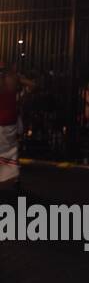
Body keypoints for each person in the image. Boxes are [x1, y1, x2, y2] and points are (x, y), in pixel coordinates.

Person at [0, 65, 34, 194]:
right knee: (12, 148)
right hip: (11, 118)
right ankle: (15, 178)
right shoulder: (14, 78)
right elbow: (32, 85)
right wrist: (21, 95)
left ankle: (11, 177)